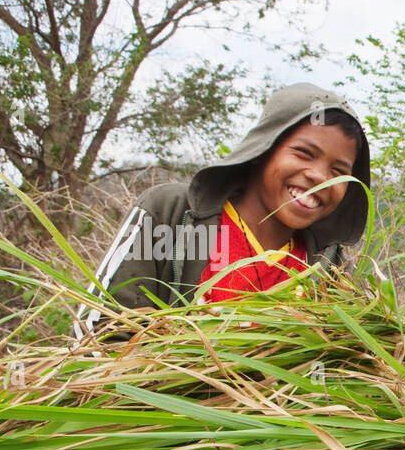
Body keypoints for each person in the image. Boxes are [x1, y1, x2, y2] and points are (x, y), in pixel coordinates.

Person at [73, 83, 371, 342]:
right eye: (304, 153)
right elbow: (99, 330)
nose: (320, 177)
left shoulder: (326, 267)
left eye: (338, 171)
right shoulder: (173, 214)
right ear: (263, 151)